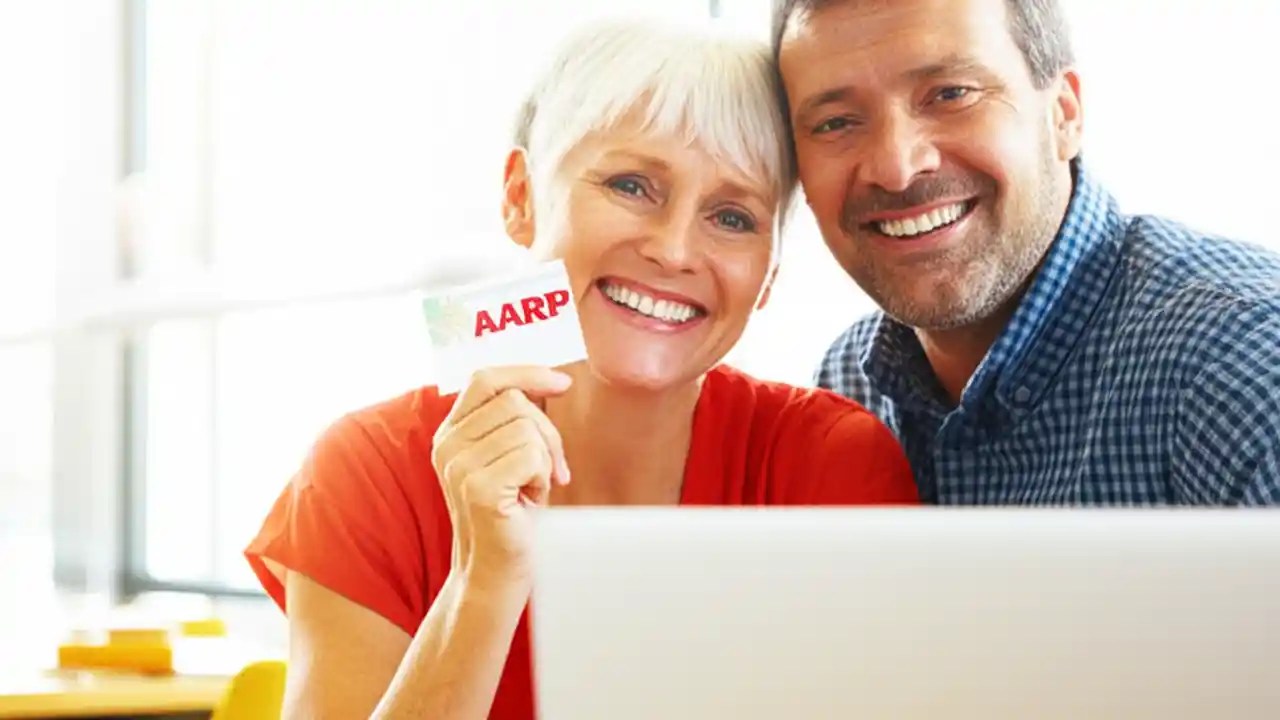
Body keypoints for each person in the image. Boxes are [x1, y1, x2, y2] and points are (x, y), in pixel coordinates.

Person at [246, 19, 917, 720]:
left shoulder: (828, 466)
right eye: (631, 185)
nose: (674, 249)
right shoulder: (367, 472)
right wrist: (485, 580)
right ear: (520, 198)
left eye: (733, 218)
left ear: (771, 272)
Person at [771, 0, 1280, 504]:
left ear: (1064, 115)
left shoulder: (1239, 366)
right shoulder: (847, 384)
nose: (897, 167)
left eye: (951, 94)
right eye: (836, 123)